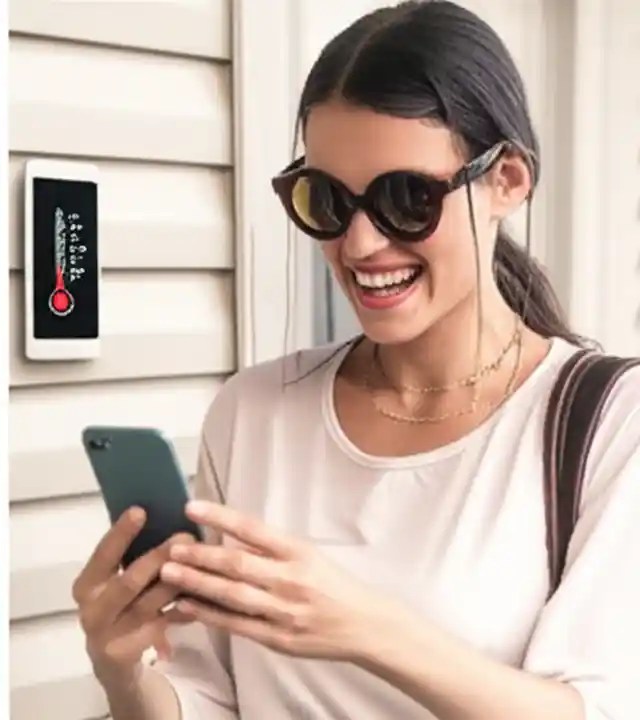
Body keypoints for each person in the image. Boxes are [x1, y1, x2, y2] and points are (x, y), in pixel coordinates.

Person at [73, 2, 639, 718]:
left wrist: (364, 629)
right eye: (327, 200)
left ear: (508, 181)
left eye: (407, 197)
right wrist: (125, 674)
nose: (361, 244)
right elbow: (211, 698)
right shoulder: (254, 413)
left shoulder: (610, 422)